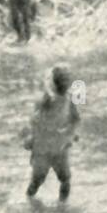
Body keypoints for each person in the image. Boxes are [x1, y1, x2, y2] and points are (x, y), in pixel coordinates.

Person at [25, 66, 80, 201]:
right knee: (62, 179)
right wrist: (72, 133)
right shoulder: (48, 100)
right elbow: (75, 119)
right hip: (52, 147)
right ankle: (61, 206)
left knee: (51, 179)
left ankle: (36, 203)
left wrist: (72, 133)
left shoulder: (67, 100)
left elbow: (75, 119)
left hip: (49, 147)